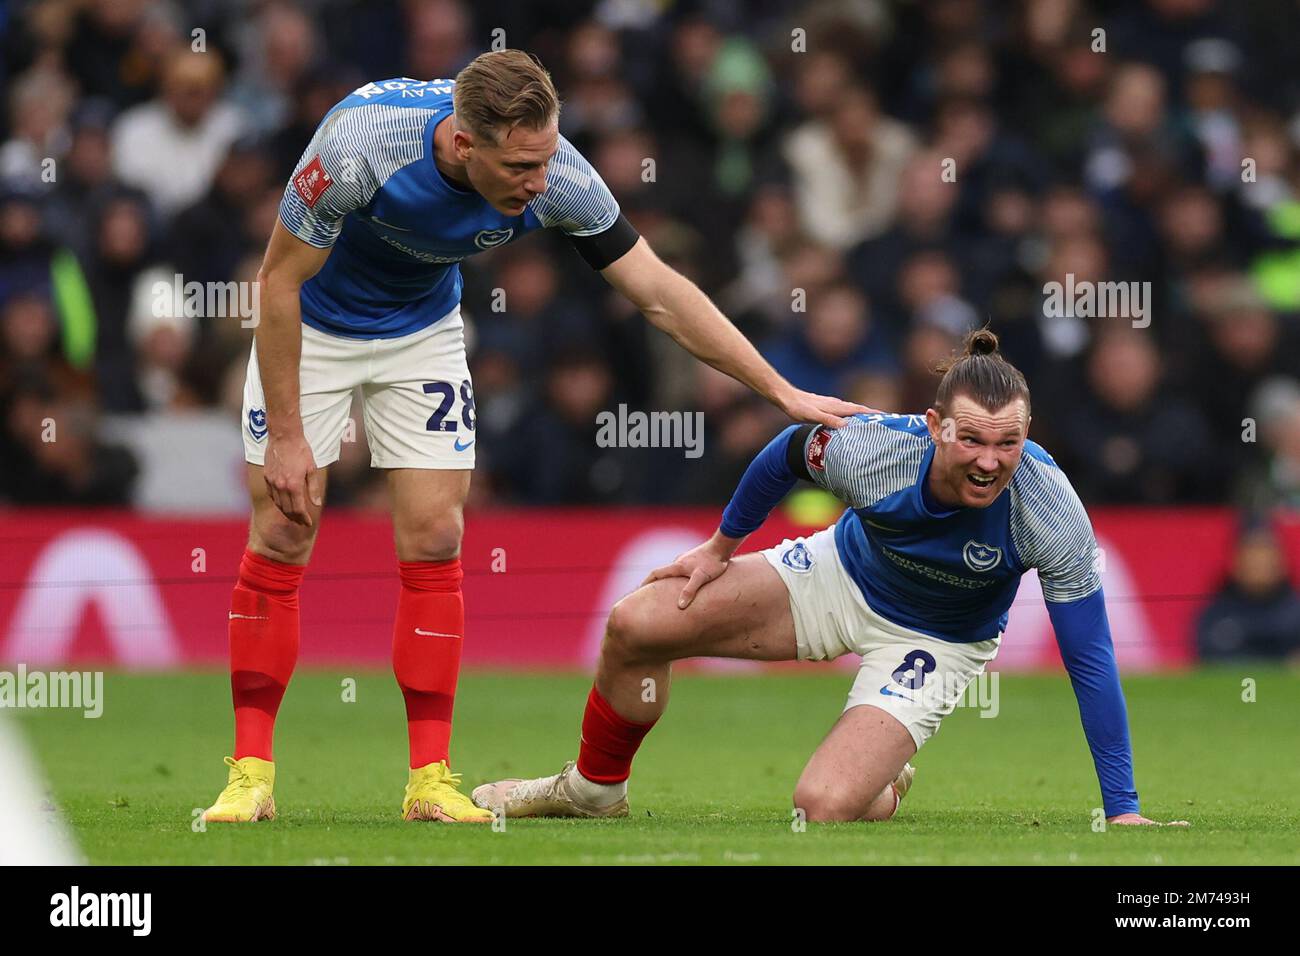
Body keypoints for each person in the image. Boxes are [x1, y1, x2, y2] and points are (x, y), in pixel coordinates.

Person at [201, 51, 861, 824]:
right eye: (521, 166)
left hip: (422, 332)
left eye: (546, 157)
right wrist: (287, 436)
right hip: (311, 326)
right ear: (462, 145)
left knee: (437, 534)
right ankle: (249, 774)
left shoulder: (560, 173)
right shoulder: (361, 143)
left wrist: (779, 389)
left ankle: (430, 781)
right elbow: (278, 282)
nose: (539, 182)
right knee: (282, 532)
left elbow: (657, 291)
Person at [473, 330, 1187, 826]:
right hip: (837, 575)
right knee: (639, 622)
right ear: (935, 425)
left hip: (936, 642)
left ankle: (882, 782)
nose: (990, 461)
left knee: (821, 806)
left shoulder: (1050, 511)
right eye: (970, 438)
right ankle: (593, 791)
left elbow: (1090, 658)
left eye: (1009, 443)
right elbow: (786, 451)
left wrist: (1121, 807)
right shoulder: (875, 450)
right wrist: (722, 546)